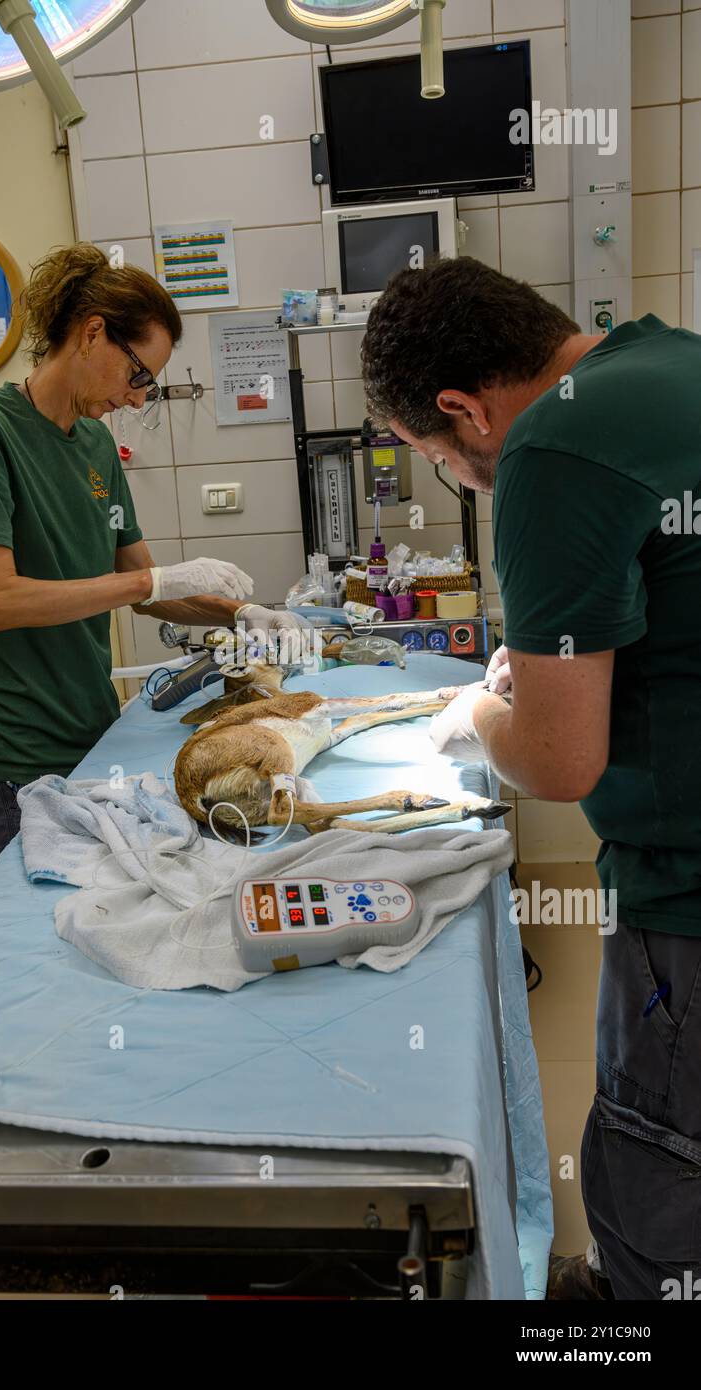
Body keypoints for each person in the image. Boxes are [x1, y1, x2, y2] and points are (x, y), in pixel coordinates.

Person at [361, 256, 701, 1301]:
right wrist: (556, 672)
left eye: (437, 457)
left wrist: (474, 716)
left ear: (463, 410)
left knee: (662, 1179)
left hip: (684, 898)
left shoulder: (551, 446)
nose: (460, 480)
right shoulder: (669, 365)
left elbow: (557, 761)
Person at [0, 243, 306, 876]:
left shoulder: (95, 444)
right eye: (137, 376)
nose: (138, 401)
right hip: (13, 750)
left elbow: (147, 590)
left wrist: (242, 610)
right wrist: (148, 578)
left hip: (91, 728)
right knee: (33, 940)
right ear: (92, 334)